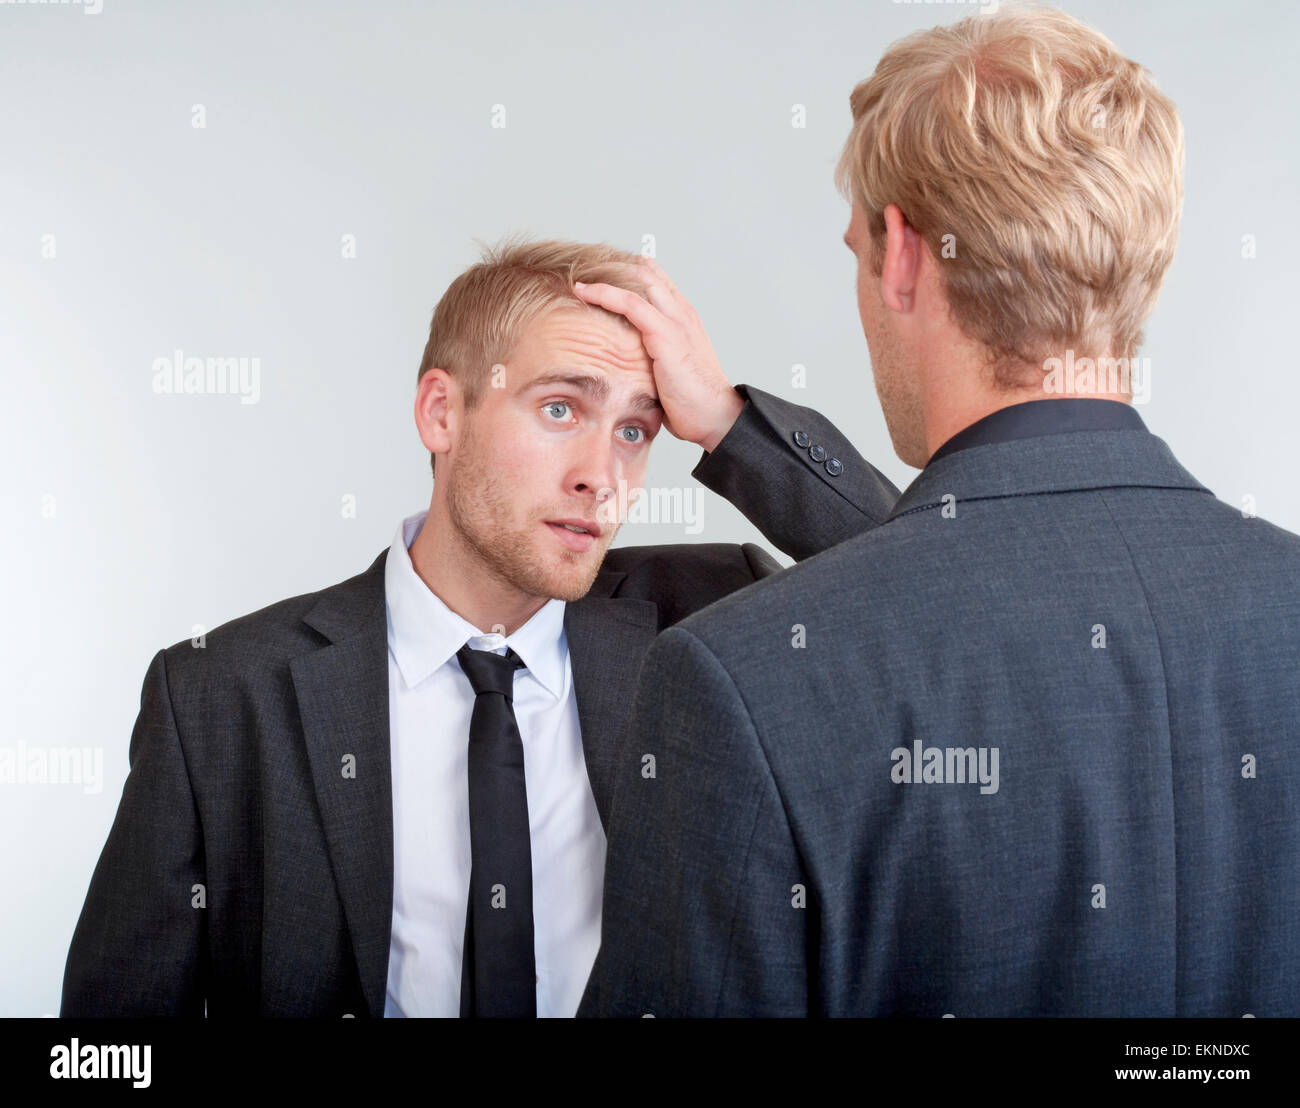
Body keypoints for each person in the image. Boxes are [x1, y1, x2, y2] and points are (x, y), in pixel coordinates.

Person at [581, 6, 1300, 1016]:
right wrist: (737, 431)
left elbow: (935, 610)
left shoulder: (734, 682)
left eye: (857, 253)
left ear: (906, 256)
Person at [60, 237, 900, 1017]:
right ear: (441, 413)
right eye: (563, 409)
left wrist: (723, 417)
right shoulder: (219, 695)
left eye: (635, 430)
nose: (601, 480)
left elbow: (924, 579)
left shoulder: (698, 624)